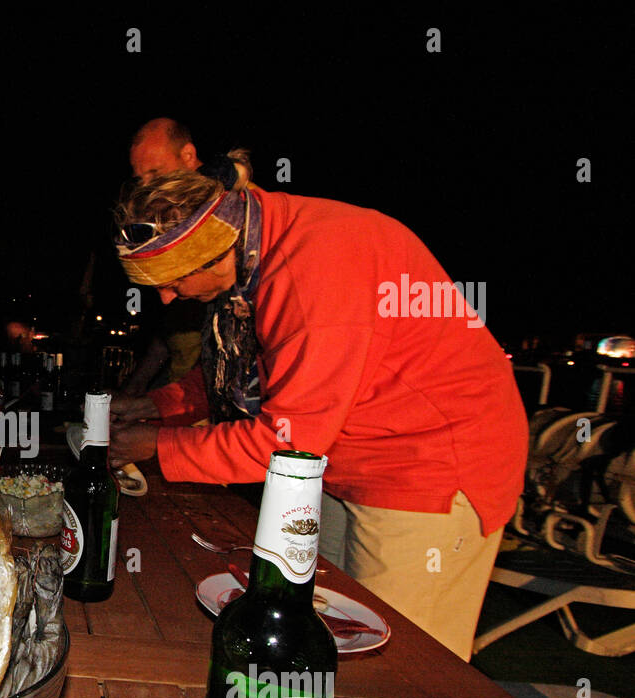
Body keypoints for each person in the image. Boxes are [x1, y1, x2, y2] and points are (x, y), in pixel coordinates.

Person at [109, 162, 527, 660]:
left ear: (215, 253)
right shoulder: (254, 240)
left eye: (174, 280)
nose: (167, 296)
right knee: (319, 624)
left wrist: (158, 445)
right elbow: (245, 362)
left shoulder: (313, 276)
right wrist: (156, 405)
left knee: (395, 662)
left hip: (430, 465)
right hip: (346, 457)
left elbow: (289, 443)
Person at [118, 118, 208, 396]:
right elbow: (170, 324)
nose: (146, 187)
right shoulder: (165, 216)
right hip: (184, 390)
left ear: (189, 156)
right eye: (140, 178)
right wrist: (136, 389)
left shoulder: (227, 212)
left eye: (155, 174)